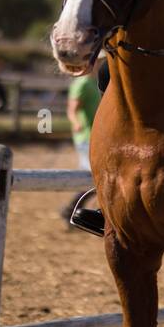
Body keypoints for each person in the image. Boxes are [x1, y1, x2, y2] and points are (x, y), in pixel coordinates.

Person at [60, 60, 101, 224]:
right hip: (85, 136)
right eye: (98, 61)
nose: (100, 63)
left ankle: (72, 211)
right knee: (93, 177)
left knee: (94, 178)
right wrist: (76, 122)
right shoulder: (82, 83)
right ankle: (70, 211)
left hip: (95, 136)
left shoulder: (94, 82)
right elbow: (72, 108)